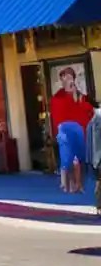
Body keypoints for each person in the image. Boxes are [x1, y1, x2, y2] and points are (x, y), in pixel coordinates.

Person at [50, 66, 93, 194]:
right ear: (62, 80)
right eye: (65, 77)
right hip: (65, 133)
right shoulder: (57, 97)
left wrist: (77, 98)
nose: (67, 79)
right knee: (69, 160)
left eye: (69, 77)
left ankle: (78, 184)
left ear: (73, 79)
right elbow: (56, 116)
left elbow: (89, 111)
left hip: (80, 132)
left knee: (78, 161)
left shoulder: (81, 96)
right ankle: (70, 184)